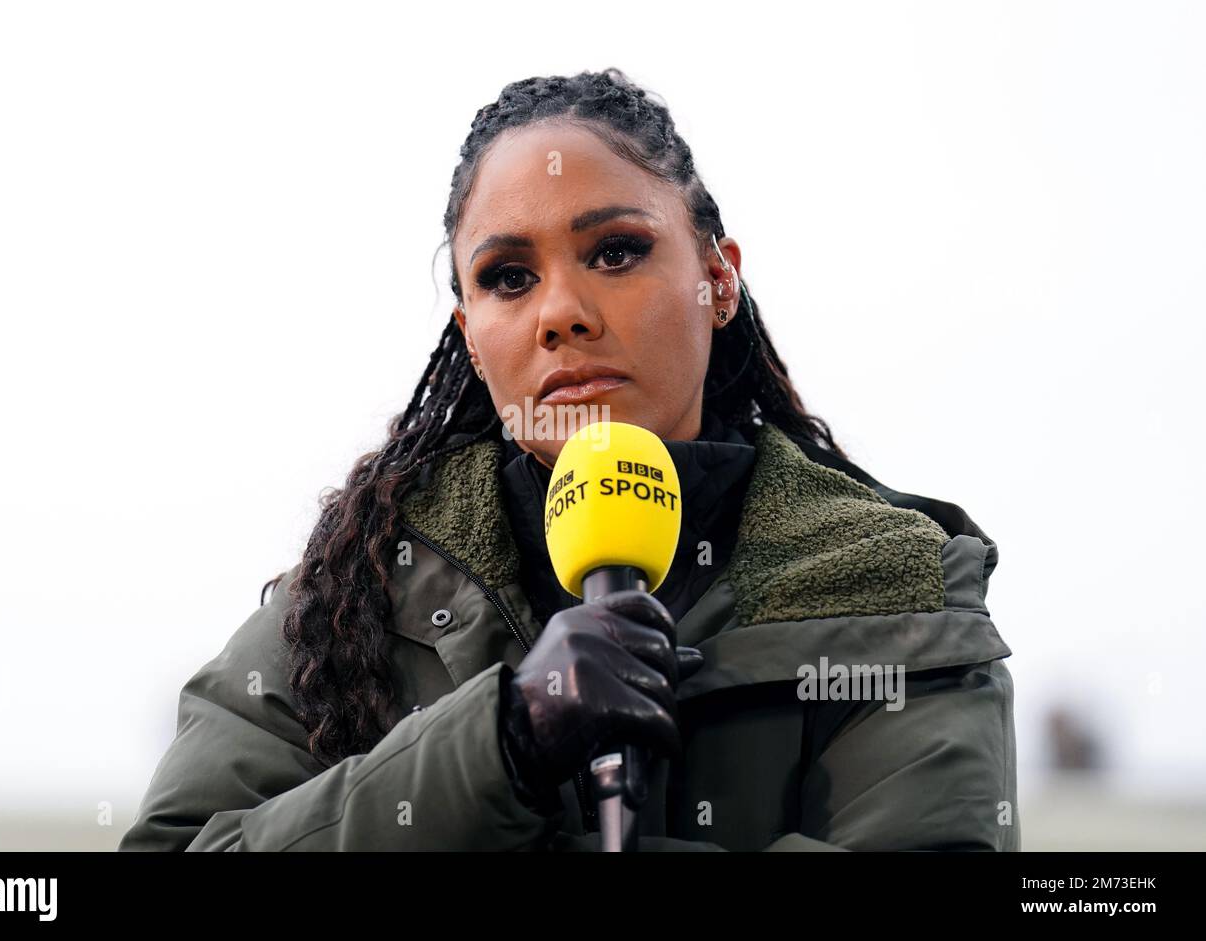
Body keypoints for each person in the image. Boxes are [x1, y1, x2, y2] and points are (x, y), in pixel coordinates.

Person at [118, 67, 1018, 852]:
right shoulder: (358, 593)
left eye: (617, 251)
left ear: (719, 278)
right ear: (470, 335)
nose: (562, 312)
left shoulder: (896, 587)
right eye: (509, 277)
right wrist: (502, 740)